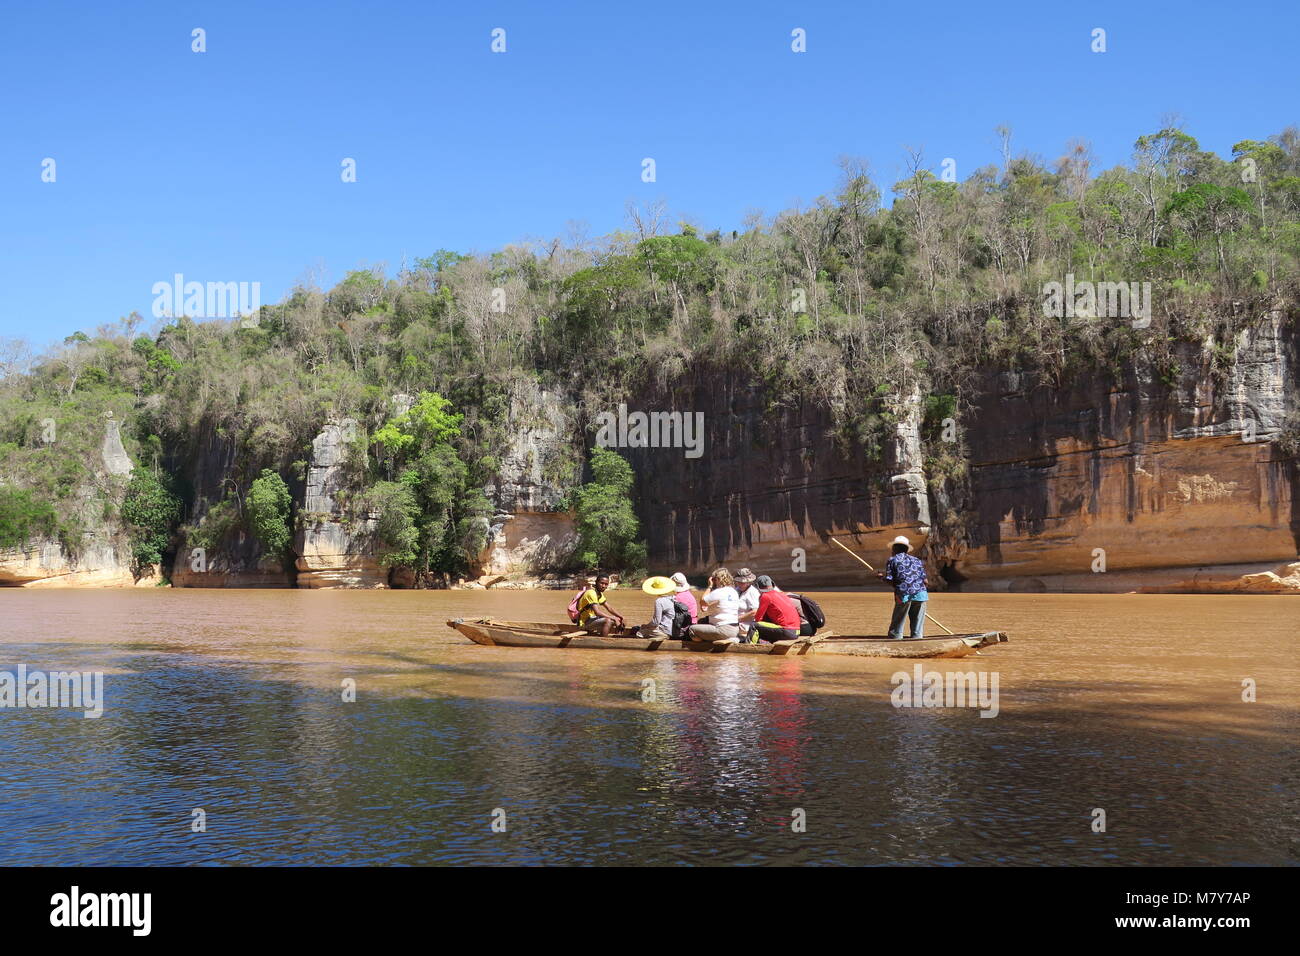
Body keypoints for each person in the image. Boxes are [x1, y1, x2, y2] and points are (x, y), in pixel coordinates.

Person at [877, 535, 928, 639]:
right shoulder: (917, 560)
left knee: (898, 621)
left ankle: (895, 638)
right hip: (921, 594)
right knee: (917, 625)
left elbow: (891, 580)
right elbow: (926, 582)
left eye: (892, 548)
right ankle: (917, 639)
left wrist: (881, 578)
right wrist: (916, 592)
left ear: (895, 548)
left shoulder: (893, 560)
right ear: (907, 549)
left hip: (904, 595)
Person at [686, 567, 741, 643]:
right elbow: (719, 605)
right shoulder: (734, 592)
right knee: (702, 621)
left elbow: (702, 601)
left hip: (723, 629)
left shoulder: (719, 592)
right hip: (735, 629)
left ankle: (704, 648)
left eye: (714, 580)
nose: (714, 582)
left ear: (718, 579)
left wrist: (710, 586)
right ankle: (729, 639)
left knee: (692, 629)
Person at [745, 574, 802, 644]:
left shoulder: (765, 596)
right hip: (796, 631)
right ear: (772, 584)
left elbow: (758, 619)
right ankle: (764, 642)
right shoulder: (781, 594)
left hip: (788, 631)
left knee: (754, 625)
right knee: (764, 625)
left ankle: (749, 646)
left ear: (758, 587)